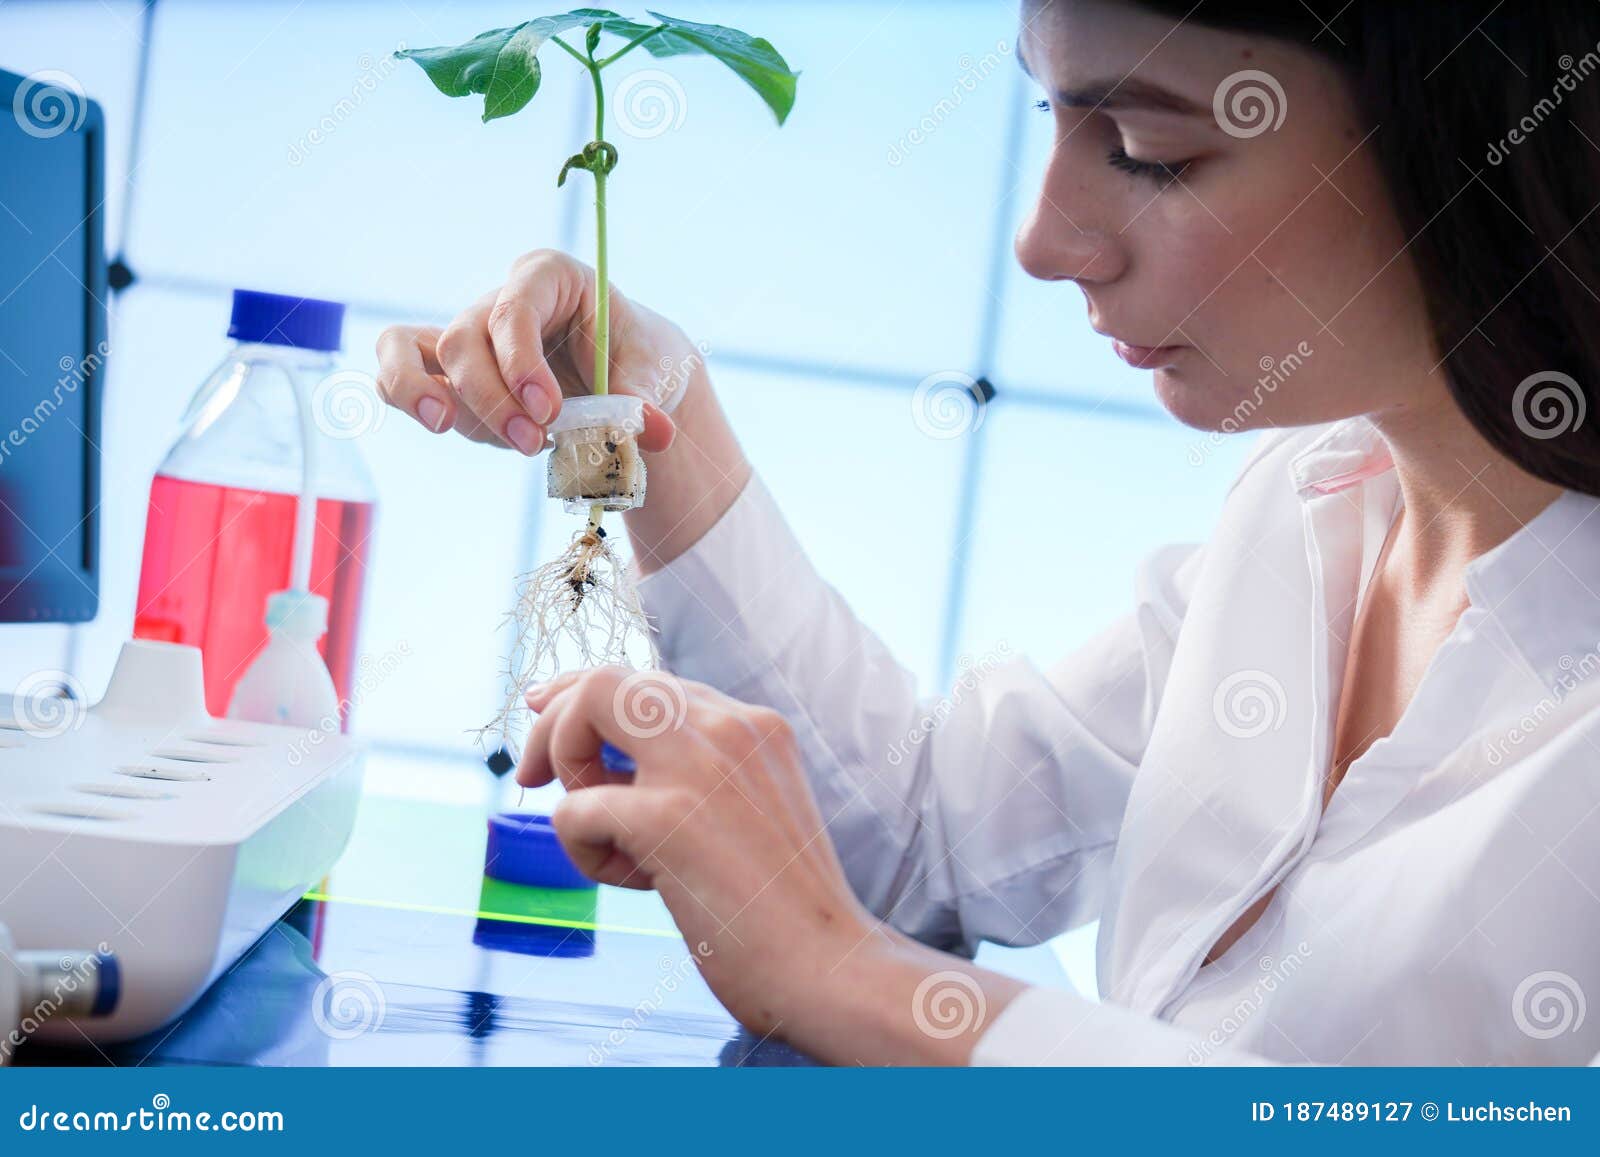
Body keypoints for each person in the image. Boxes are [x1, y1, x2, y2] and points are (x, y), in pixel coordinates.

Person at [376, 0, 1600, 1065]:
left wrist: (849, 979)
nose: (1043, 240)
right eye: (1054, 124)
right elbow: (923, 845)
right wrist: (652, 410)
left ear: (1474, 137)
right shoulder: (1307, 512)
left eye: (1147, 149)